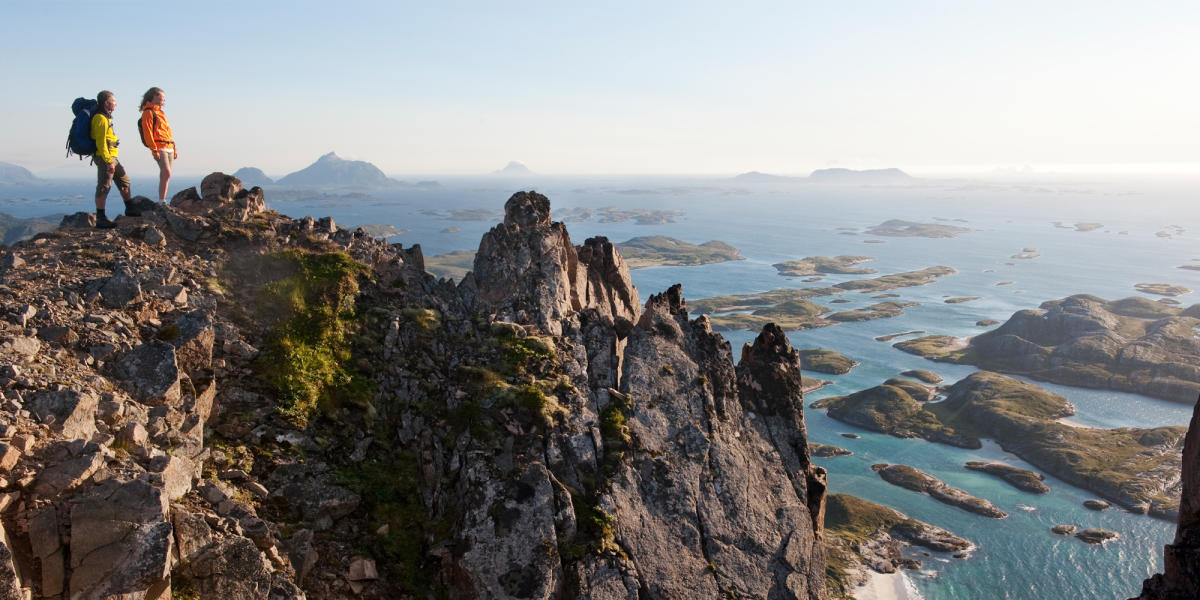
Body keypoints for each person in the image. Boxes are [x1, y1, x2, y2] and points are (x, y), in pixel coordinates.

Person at [90, 90, 133, 228]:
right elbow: (100, 142)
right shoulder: (100, 118)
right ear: (106, 103)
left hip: (112, 156)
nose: (115, 104)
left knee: (124, 181)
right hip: (105, 157)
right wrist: (108, 161)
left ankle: (130, 208)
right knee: (104, 186)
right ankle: (101, 218)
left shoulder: (106, 117)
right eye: (113, 101)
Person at [139, 87, 177, 203]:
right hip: (159, 147)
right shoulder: (148, 113)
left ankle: (162, 200)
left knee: (166, 175)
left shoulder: (161, 113)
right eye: (161, 97)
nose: (164, 100)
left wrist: (174, 148)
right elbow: (148, 133)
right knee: (166, 172)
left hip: (169, 146)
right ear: (153, 96)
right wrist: (154, 149)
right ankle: (161, 201)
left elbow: (168, 131)